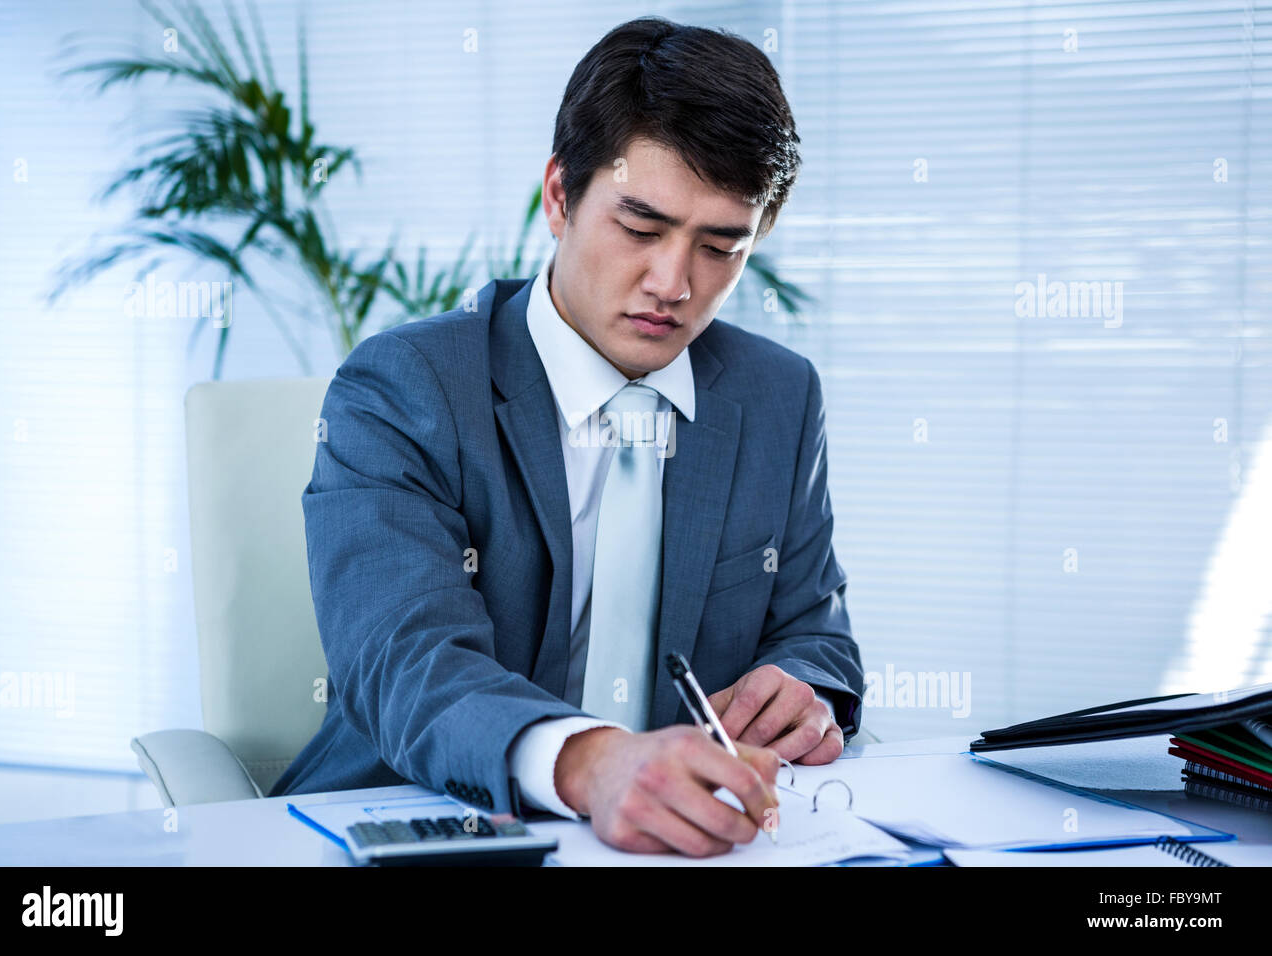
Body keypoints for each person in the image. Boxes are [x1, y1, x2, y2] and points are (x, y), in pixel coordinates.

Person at [270, 16, 864, 858]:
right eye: (641, 228)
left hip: (684, 844)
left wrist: (801, 689)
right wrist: (592, 763)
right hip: (410, 824)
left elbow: (818, 629)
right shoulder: (406, 386)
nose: (673, 285)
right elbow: (406, 663)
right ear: (559, 196)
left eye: (721, 246)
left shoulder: (778, 396)